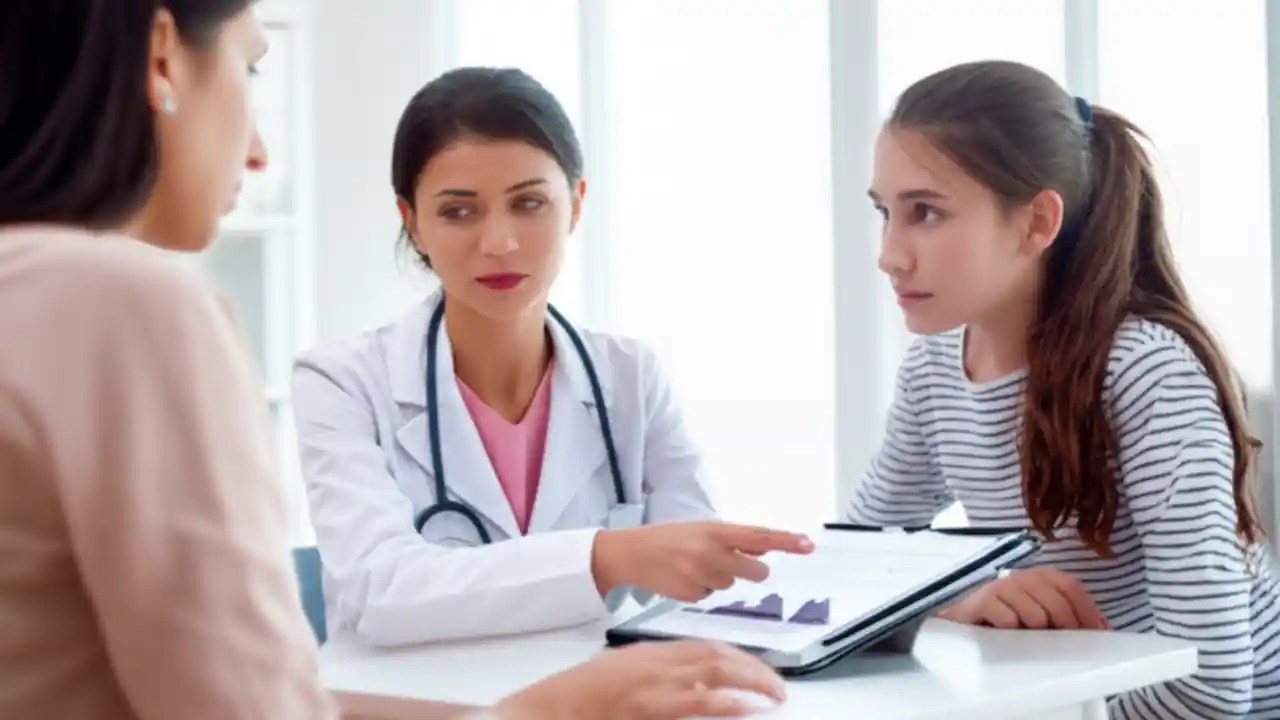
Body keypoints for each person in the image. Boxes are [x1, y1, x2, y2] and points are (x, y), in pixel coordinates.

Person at [0, 1, 788, 718]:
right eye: (251, 67)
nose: (262, 150)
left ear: (575, 202)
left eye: (528, 202)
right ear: (165, 56)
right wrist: (549, 703)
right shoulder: (129, 308)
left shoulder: (36, 291)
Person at [291, 66, 814, 648]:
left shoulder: (632, 378)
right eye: (458, 211)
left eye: (529, 203)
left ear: (577, 203)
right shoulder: (342, 382)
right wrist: (609, 556)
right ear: (412, 222)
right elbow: (378, 593)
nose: (499, 242)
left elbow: (699, 585)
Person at [846, 59, 1280, 718]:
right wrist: (956, 597)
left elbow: (1213, 688)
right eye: (886, 212)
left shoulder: (1147, 372)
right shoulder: (933, 370)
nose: (889, 253)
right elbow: (852, 567)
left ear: (1035, 224)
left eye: (925, 213)